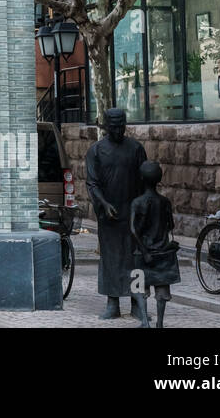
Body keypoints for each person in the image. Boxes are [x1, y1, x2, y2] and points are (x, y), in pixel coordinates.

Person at [86, 108, 148, 320]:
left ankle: (138, 303)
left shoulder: (136, 149)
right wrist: (103, 204)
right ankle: (112, 302)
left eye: (121, 126)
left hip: (133, 214)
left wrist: (143, 209)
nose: (118, 130)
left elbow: (145, 180)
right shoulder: (96, 150)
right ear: (105, 126)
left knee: (136, 259)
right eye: (113, 127)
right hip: (109, 215)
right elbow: (92, 183)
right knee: (111, 259)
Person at [130, 160, 180, 328]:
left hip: (142, 252)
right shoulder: (165, 202)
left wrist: (144, 251)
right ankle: (160, 322)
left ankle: (145, 321)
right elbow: (170, 226)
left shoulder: (137, 202)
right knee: (162, 290)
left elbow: (133, 229)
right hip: (163, 252)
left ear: (141, 178)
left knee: (138, 288)